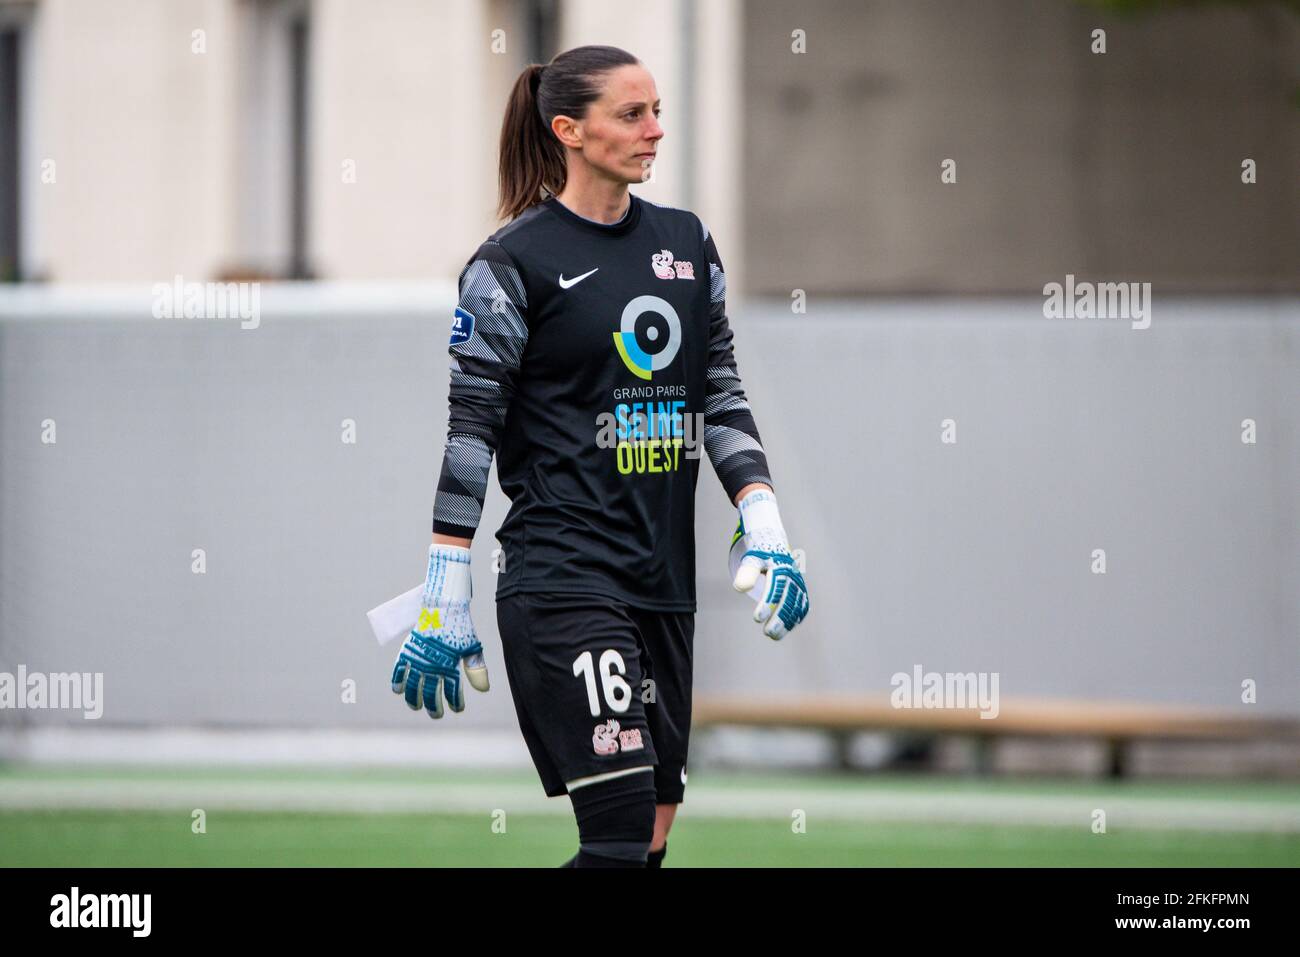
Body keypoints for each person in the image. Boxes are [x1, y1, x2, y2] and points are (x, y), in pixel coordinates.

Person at [390, 44, 810, 868]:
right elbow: (470, 432)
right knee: (615, 839)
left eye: (658, 110)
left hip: (663, 583)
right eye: (633, 114)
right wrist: (445, 582)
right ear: (568, 130)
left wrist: (762, 517)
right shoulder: (510, 263)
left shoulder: (688, 244)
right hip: (563, 579)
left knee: (648, 843)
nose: (656, 130)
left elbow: (718, 393)